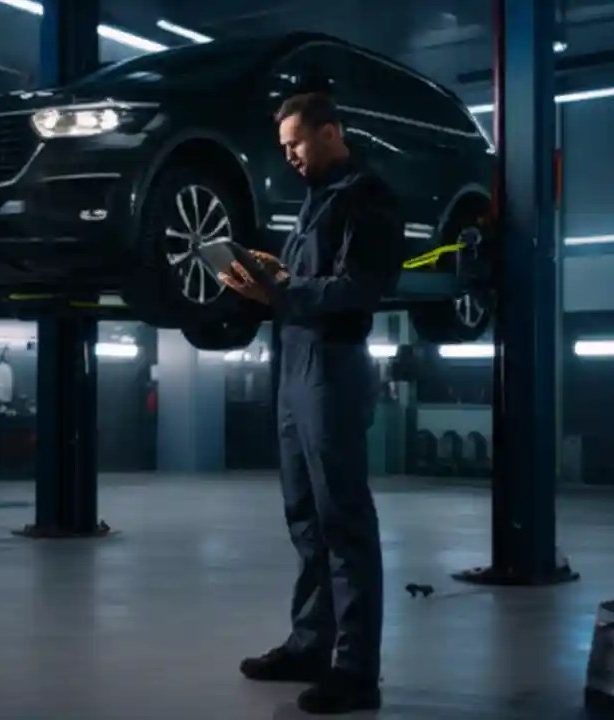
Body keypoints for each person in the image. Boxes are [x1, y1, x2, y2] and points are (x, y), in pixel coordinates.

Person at [218, 91, 402, 715]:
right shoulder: (313, 202)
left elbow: (359, 289)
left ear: (330, 132)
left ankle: (356, 672)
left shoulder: (367, 199)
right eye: (284, 147)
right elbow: (299, 287)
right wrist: (264, 280)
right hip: (293, 368)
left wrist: (285, 289)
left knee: (344, 521)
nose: (290, 155)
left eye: (296, 142)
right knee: (305, 519)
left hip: (333, 369)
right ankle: (310, 645)